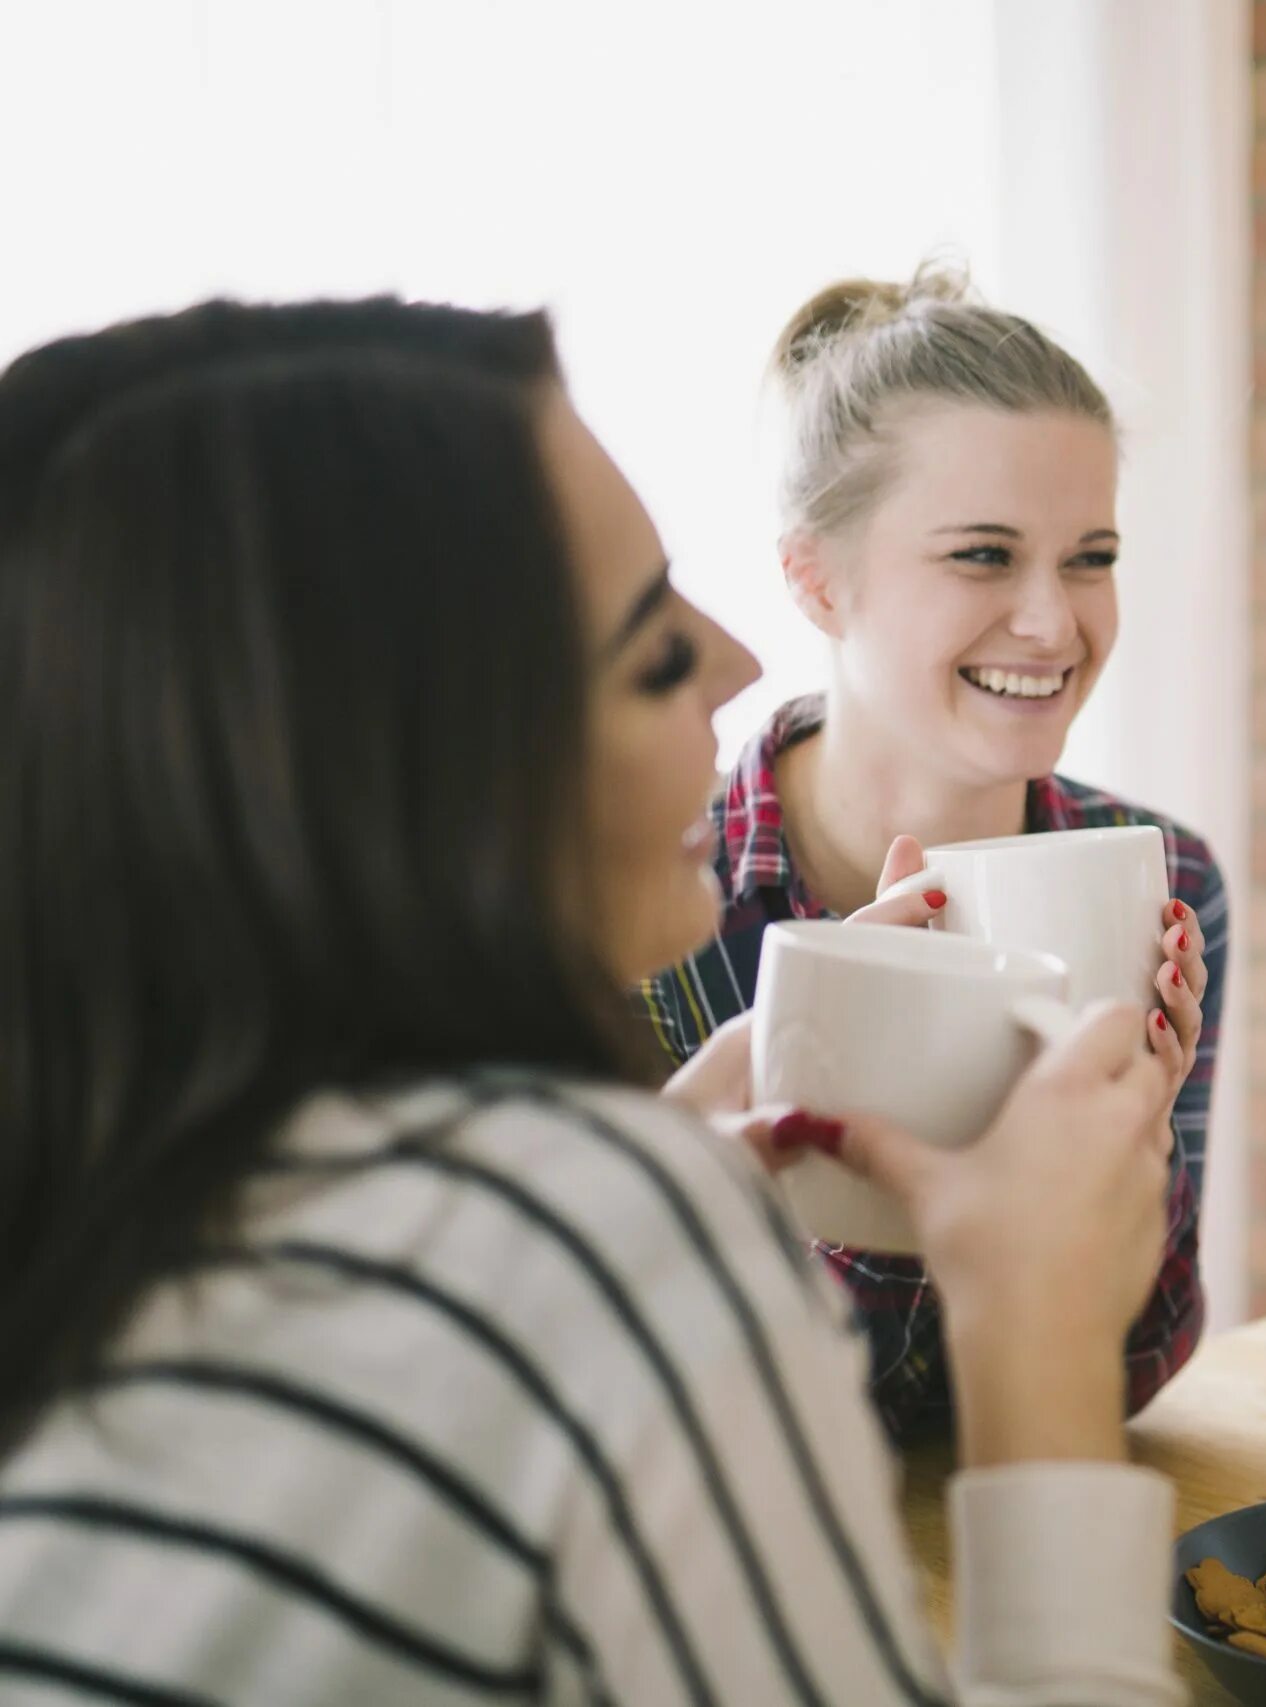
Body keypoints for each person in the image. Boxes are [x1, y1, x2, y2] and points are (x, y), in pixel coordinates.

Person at [0, 297, 1183, 1705]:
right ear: (411, 762)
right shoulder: (588, 1228)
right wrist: (1031, 1323)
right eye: (643, 641)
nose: (735, 665)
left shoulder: (103, 1182)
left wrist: (678, 1171)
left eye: (1090, 555)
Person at [643, 265, 1225, 1441]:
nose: (1053, 623)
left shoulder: (1166, 877)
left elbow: (1136, 1368)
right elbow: (627, 1391)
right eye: (981, 556)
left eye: (1090, 556)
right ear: (815, 577)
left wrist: (1122, 1181)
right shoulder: (647, 897)